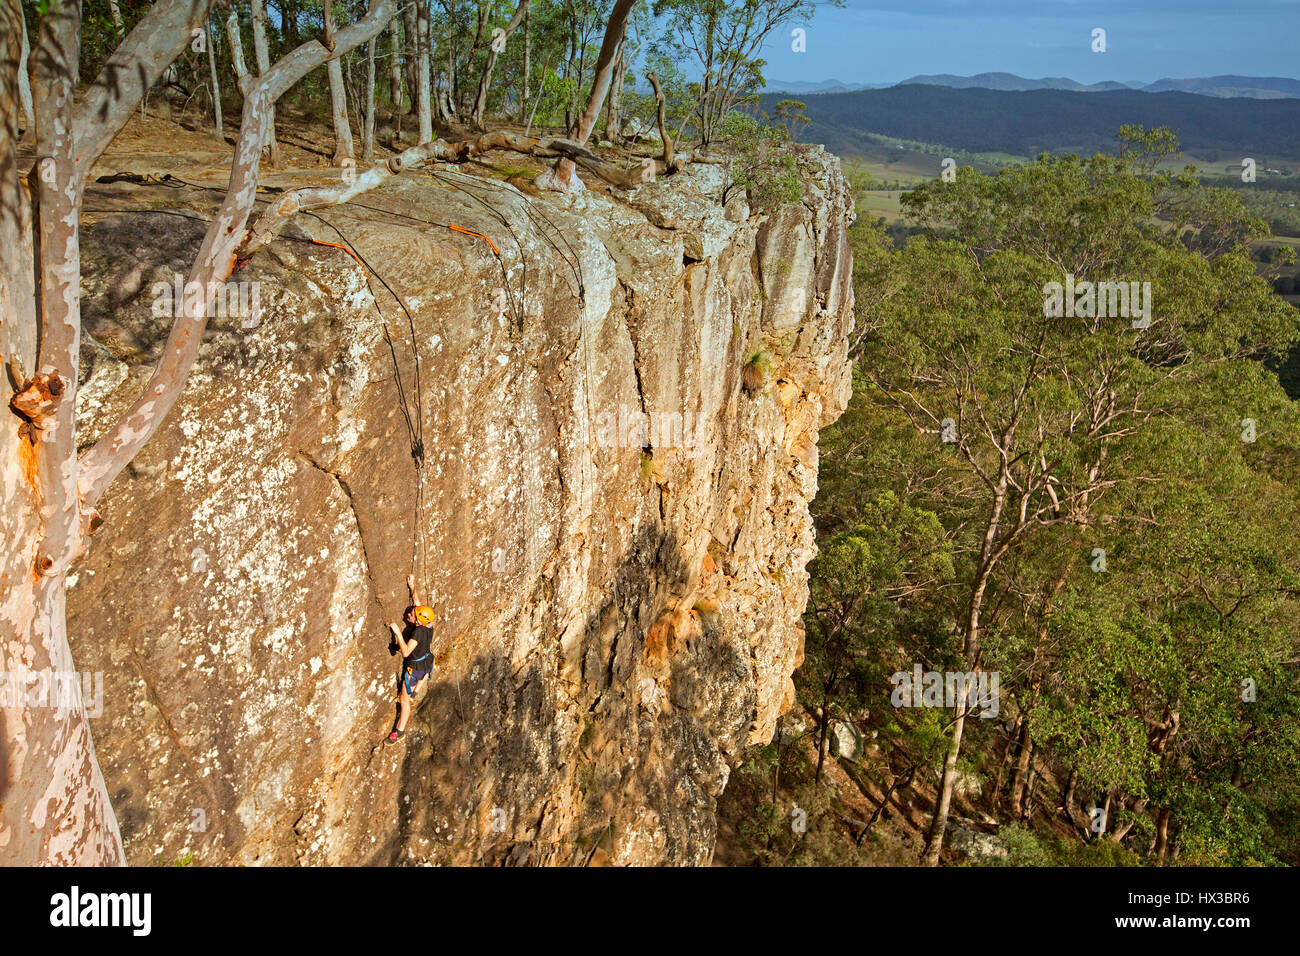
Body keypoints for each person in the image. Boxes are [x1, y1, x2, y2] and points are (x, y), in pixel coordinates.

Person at [387, 573, 435, 742]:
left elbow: (406, 652)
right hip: (426, 663)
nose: (409, 614)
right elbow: (418, 604)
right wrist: (412, 586)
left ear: (417, 622)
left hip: (414, 669)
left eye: (412, 615)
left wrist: (397, 633)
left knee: (403, 700)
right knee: (422, 677)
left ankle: (399, 731)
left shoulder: (418, 633)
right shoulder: (428, 622)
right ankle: (415, 692)